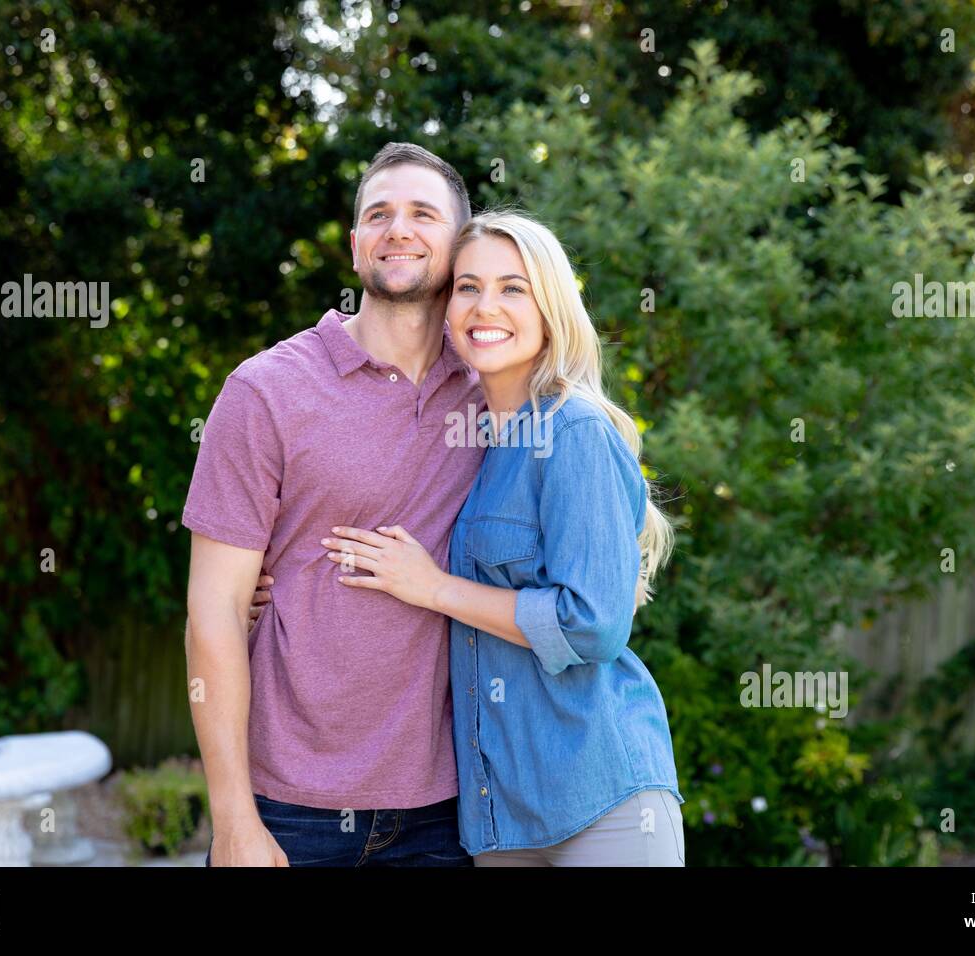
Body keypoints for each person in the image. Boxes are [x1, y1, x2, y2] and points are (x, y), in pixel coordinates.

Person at [314, 210, 686, 865]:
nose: (487, 306)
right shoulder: (466, 442)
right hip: (499, 816)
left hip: (600, 799)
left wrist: (433, 587)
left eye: (514, 288)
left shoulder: (574, 432)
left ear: (550, 309)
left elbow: (592, 625)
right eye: (468, 286)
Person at [183, 142, 484, 866]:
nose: (398, 229)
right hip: (290, 807)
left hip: (448, 809)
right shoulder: (266, 391)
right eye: (378, 214)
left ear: (458, 244)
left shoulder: (493, 393)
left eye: (422, 213)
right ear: (355, 248)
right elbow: (214, 610)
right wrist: (233, 820)